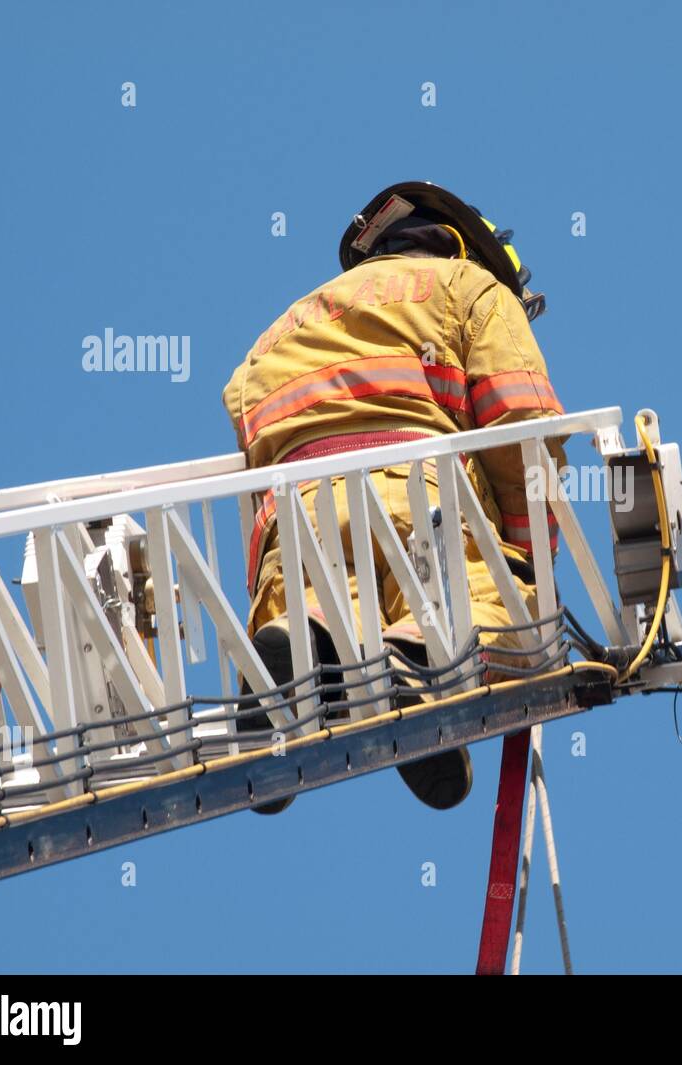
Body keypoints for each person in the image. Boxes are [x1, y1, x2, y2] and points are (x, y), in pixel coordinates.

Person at [223, 182, 566, 813]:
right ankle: (415, 667)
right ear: (468, 245)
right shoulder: (470, 288)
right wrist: (528, 560)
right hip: (421, 503)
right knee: (514, 617)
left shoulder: (271, 339)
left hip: (295, 524)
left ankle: (301, 646)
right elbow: (524, 430)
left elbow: (253, 473)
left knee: (327, 604)